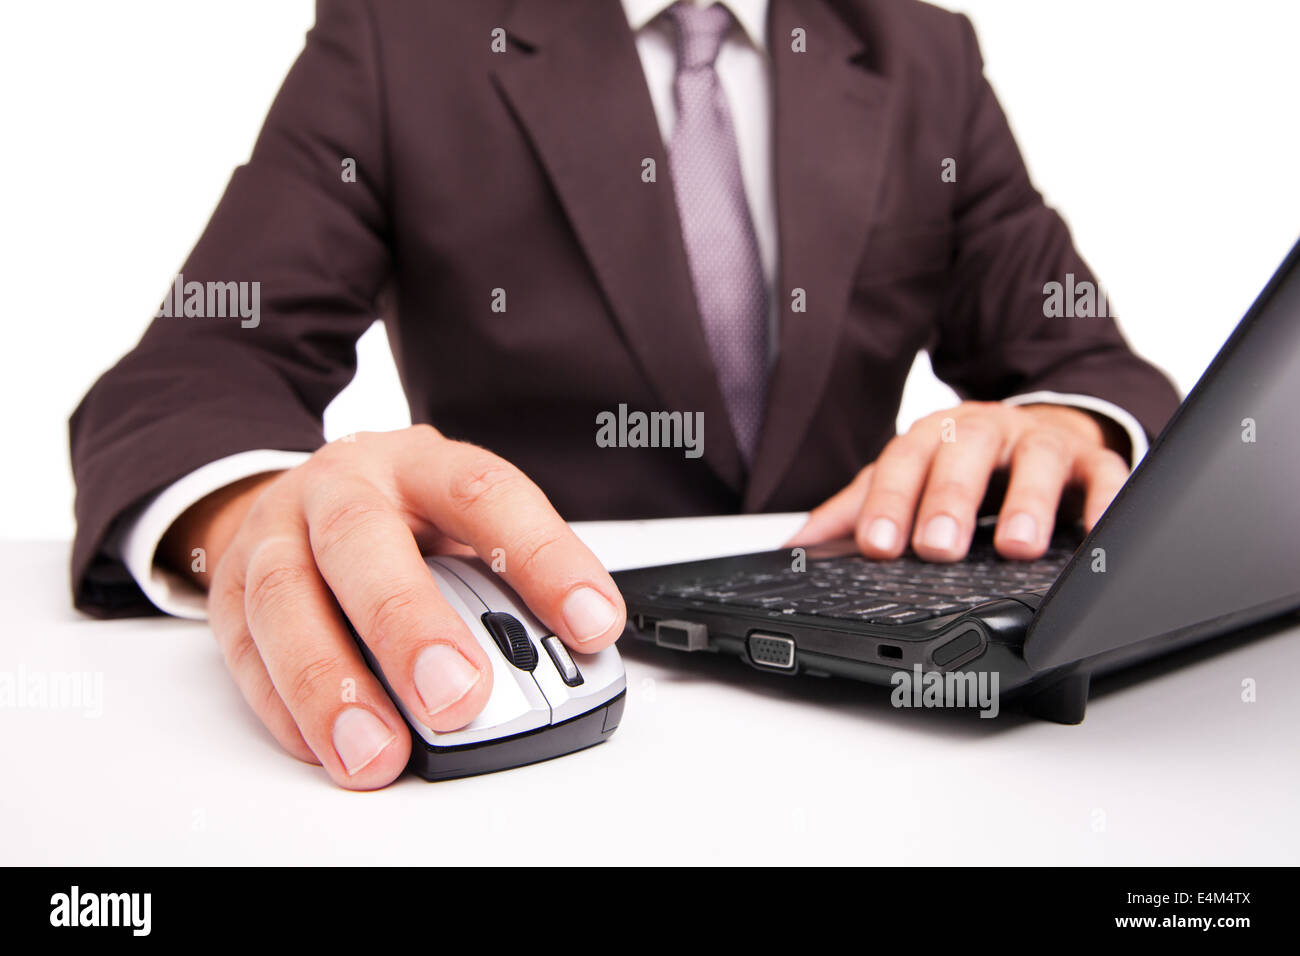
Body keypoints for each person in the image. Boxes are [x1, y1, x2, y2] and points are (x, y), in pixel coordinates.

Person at [69, 0, 1179, 788]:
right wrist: (264, 512)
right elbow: (195, 368)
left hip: (883, 730)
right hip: (557, 724)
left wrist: (1065, 427)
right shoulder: (401, 36)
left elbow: (1092, 364)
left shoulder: (922, 52)